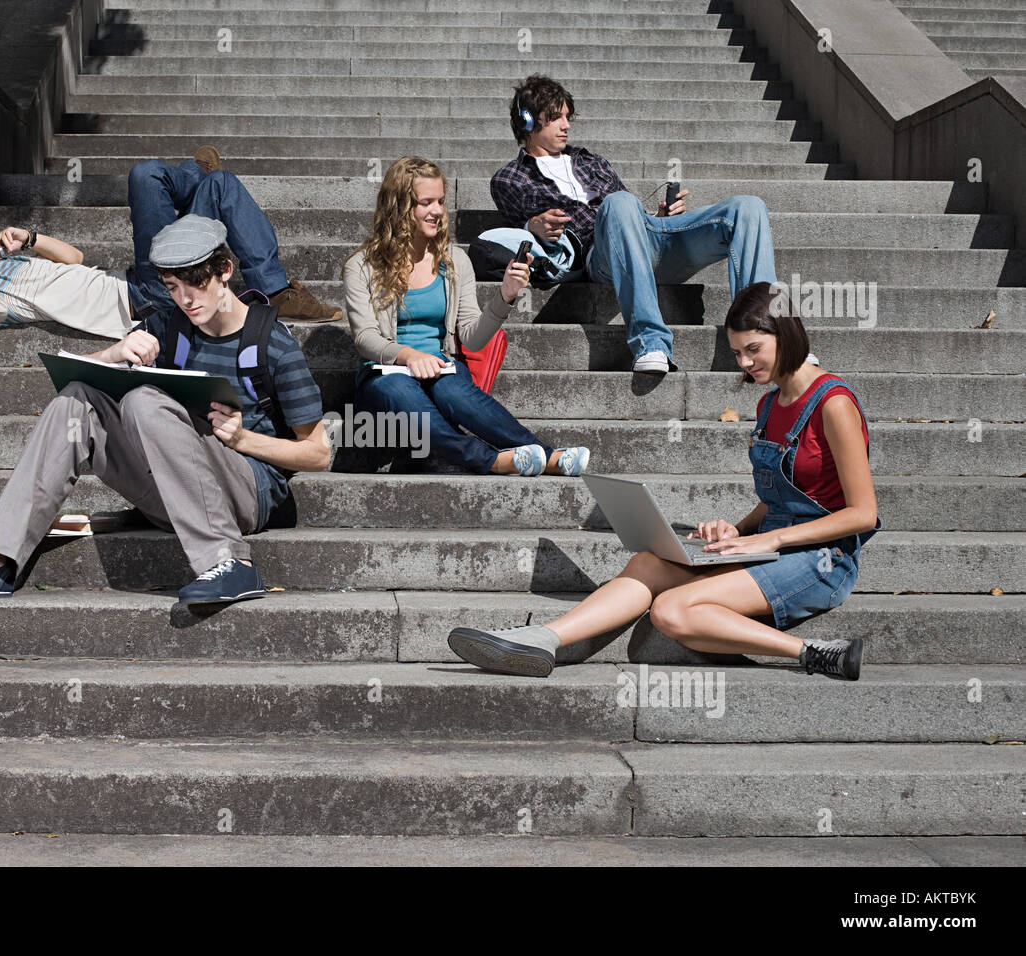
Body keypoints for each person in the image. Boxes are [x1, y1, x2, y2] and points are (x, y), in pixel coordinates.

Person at [448, 282, 880, 680]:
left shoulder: (833, 403)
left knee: (671, 610)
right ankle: (543, 639)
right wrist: (739, 529)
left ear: (785, 335)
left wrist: (771, 541)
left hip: (822, 560)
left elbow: (863, 514)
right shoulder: (771, 405)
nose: (745, 363)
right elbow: (780, 496)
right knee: (647, 563)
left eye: (753, 349)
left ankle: (814, 651)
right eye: (736, 353)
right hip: (770, 546)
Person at [0, 215, 329, 605]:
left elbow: (318, 454)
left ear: (224, 271)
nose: (186, 301)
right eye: (173, 288)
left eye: (194, 285)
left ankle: (231, 564)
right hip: (170, 489)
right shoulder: (170, 323)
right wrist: (115, 352)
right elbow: (101, 377)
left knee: (144, 401)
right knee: (77, 398)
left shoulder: (271, 342)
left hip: (246, 494)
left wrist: (242, 438)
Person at [486, 74, 779, 374]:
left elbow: (628, 216)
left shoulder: (592, 161)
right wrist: (530, 226)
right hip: (599, 257)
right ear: (528, 123)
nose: (566, 125)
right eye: (555, 118)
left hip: (645, 239)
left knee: (748, 207)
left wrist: (661, 219)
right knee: (619, 203)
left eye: (567, 116)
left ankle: (768, 338)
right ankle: (651, 343)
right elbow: (519, 220)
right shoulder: (511, 178)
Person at [0, 146, 340, 334]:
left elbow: (75, 256)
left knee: (205, 181)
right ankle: (192, 176)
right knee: (154, 175)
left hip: (141, 279)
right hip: (151, 297)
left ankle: (276, 288)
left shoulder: (10, 264)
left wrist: (29, 237)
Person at [343, 156, 590, 477]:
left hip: (440, 369)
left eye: (441, 202)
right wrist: (408, 356)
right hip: (384, 377)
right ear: (399, 206)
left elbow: (472, 337)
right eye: (426, 202)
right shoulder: (363, 265)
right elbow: (364, 337)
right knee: (397, 389)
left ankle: (545, 455)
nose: (437, 211)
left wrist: (505, 296)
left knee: (452, 389)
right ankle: (491, 460)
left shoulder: (454, 261)